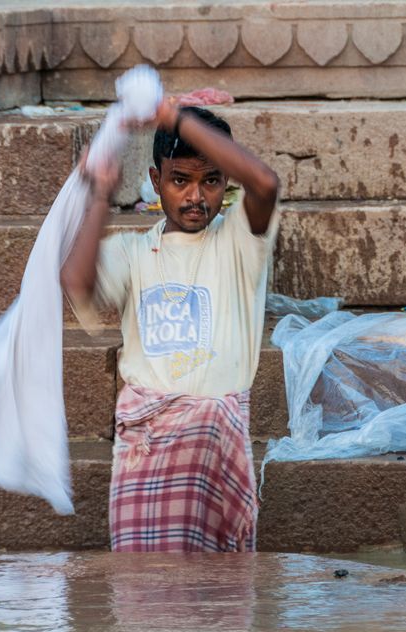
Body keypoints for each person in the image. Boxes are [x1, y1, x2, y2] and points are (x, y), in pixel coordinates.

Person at [61, 98, 281, 552]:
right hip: (146, 448)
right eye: (180, 180)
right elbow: (76, 282)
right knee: (145, 595)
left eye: (211, 181)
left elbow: (265, 182)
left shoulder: (240, 241)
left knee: (217, 598)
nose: (196, 197)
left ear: (227, 183)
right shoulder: (133, 253)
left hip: (216, 442)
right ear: (156, 181)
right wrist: (100, 195)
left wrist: (176, 117)